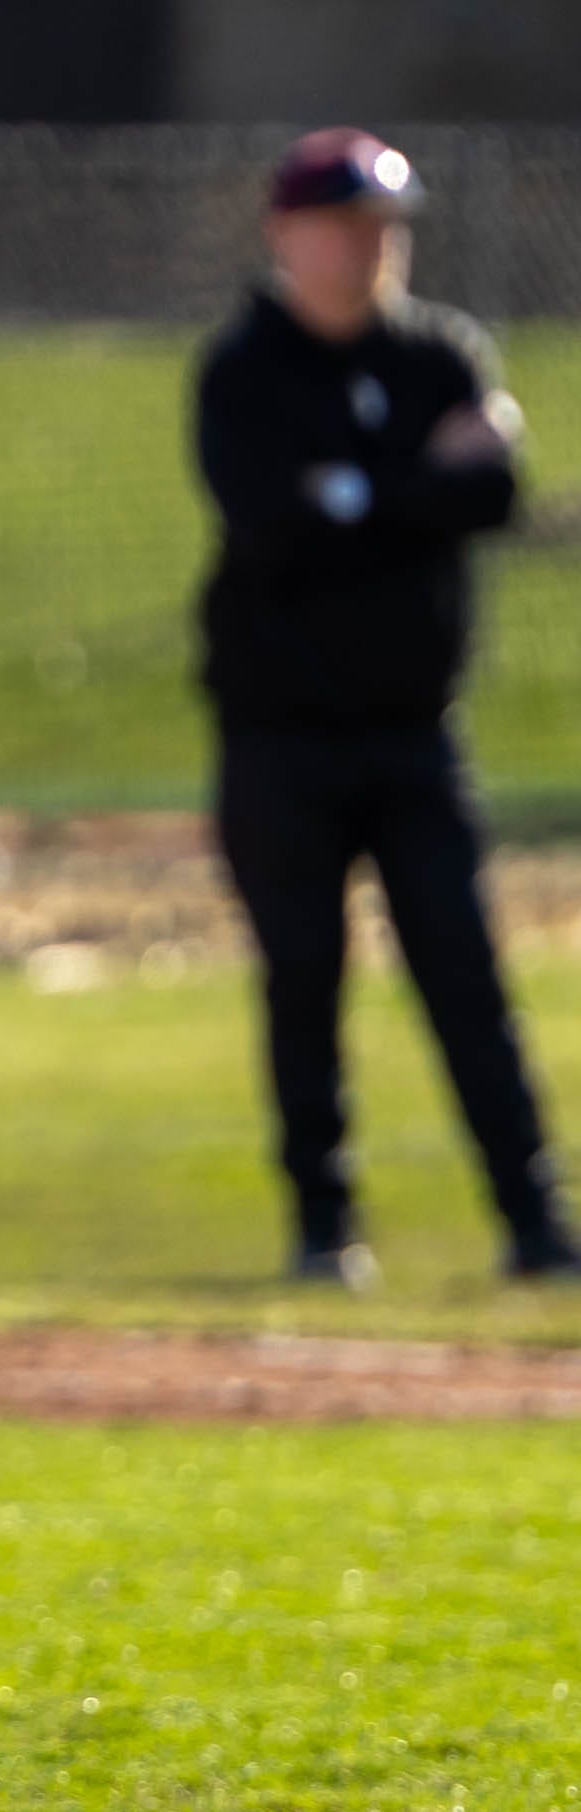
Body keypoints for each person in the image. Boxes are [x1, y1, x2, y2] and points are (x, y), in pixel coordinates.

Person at [193, 127, 578, 1288]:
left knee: (463, 975)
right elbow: (274, 523)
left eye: (383, 227)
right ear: (285, 235)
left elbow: (492, 493)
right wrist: (419, 486)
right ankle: (323, 1227)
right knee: (301, 979)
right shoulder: (243, 368)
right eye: (343, 225)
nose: (367, 249)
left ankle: (534, 1222)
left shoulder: (439, 354)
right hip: (276, 737)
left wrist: (359, 496)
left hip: (415, 732)